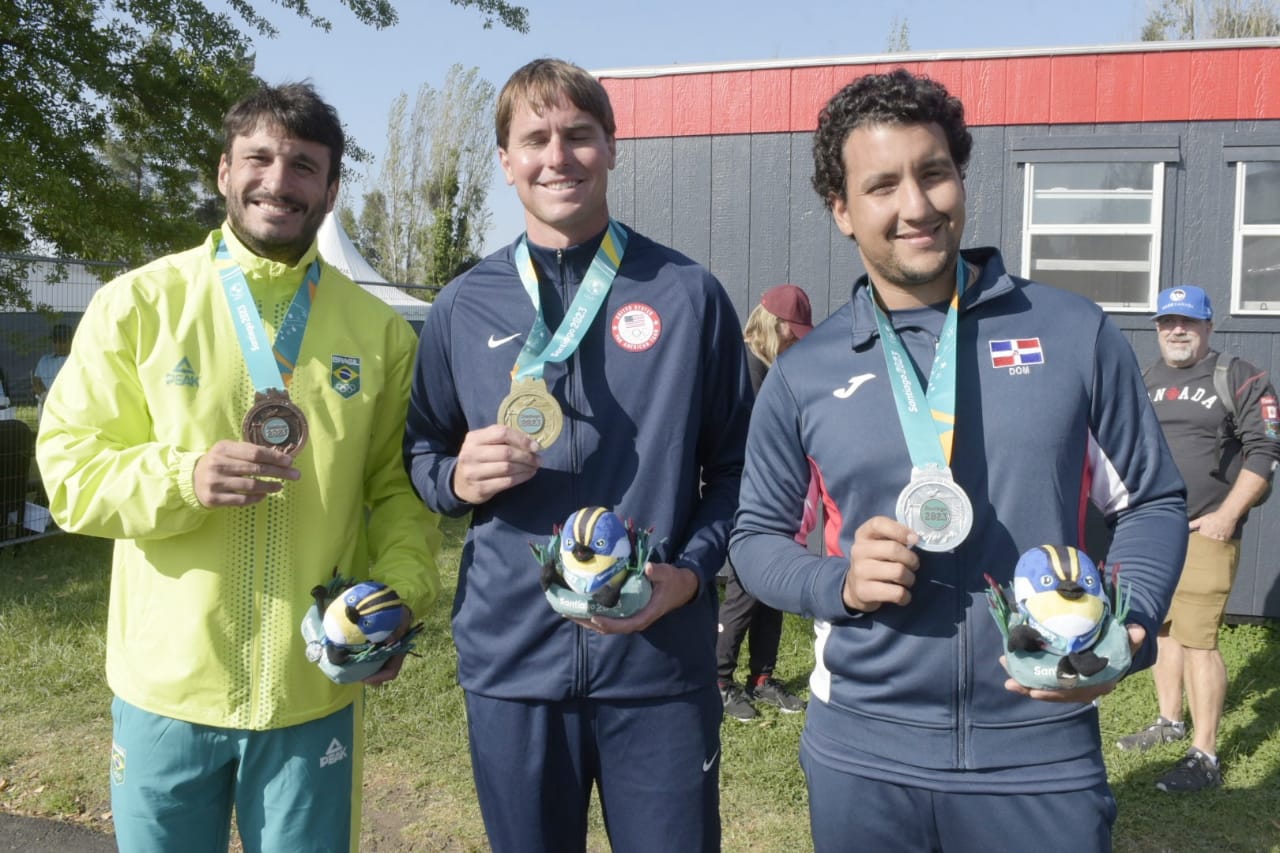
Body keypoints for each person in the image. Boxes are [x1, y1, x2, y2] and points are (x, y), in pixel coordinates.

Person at [728, 69, 1188, 852]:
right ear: (841, 209)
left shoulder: (1073, 333)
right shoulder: (805, 373)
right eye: (881, 185)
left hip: (1040, 745)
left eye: (933, 172)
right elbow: (756, 537)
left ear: (958, 177)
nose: (916, 205)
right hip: (863, 755)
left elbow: (1151, 500)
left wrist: (1129, 625)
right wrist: (833, 580)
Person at [35, 82, 441, 853]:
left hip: (311, 687)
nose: (278, 181)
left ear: (329, 188)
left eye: (303, 165)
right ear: (223, 171)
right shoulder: (138, 305)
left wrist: (401, 597)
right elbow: (69, 468)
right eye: (259, 157)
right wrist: (181, 478)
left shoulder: (379, 333)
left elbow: (397, 492)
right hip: (167, 688)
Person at [403, 58, 751, 853]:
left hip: (658, 661)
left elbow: (739, 472)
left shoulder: (687, 293)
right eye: (535, 138)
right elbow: (420, 451)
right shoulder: (463, 304)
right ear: (505, 160)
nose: (557, 156)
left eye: (578, 135)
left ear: (612, 148)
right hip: (514, 662)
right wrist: (455, 476)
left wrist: (691, 573)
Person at [1116, 285, 1280, 792]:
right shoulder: (1143, 380)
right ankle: (1170, 721)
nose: (1177, 330)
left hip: (1207, 528)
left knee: (1200, 640)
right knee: (1162, 630)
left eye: (1187, 322)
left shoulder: (1239, 375)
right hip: (1152, 531)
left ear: (1208, 326)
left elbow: (1265, 451)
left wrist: (1226, 516)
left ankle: (1205, 754)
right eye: (1168, 322)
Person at [718, 283, 812, 721]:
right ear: (771, 325)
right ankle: (718, 681)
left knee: (770, 587)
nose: (794, 341)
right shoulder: (741, 367)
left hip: (778, 494)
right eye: (791, 332)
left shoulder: (775, 372)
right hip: (745, 497)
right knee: (743, 590)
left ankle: (762, 678)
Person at [32, 323, 72, 421]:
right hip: (47, 405)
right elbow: (36, 382)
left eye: (63, 341)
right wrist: (44, 396)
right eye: (55, 341)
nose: (58, 345)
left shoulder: (77, 359)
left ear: (71, 341)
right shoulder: (44, 360)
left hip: (71, 406)